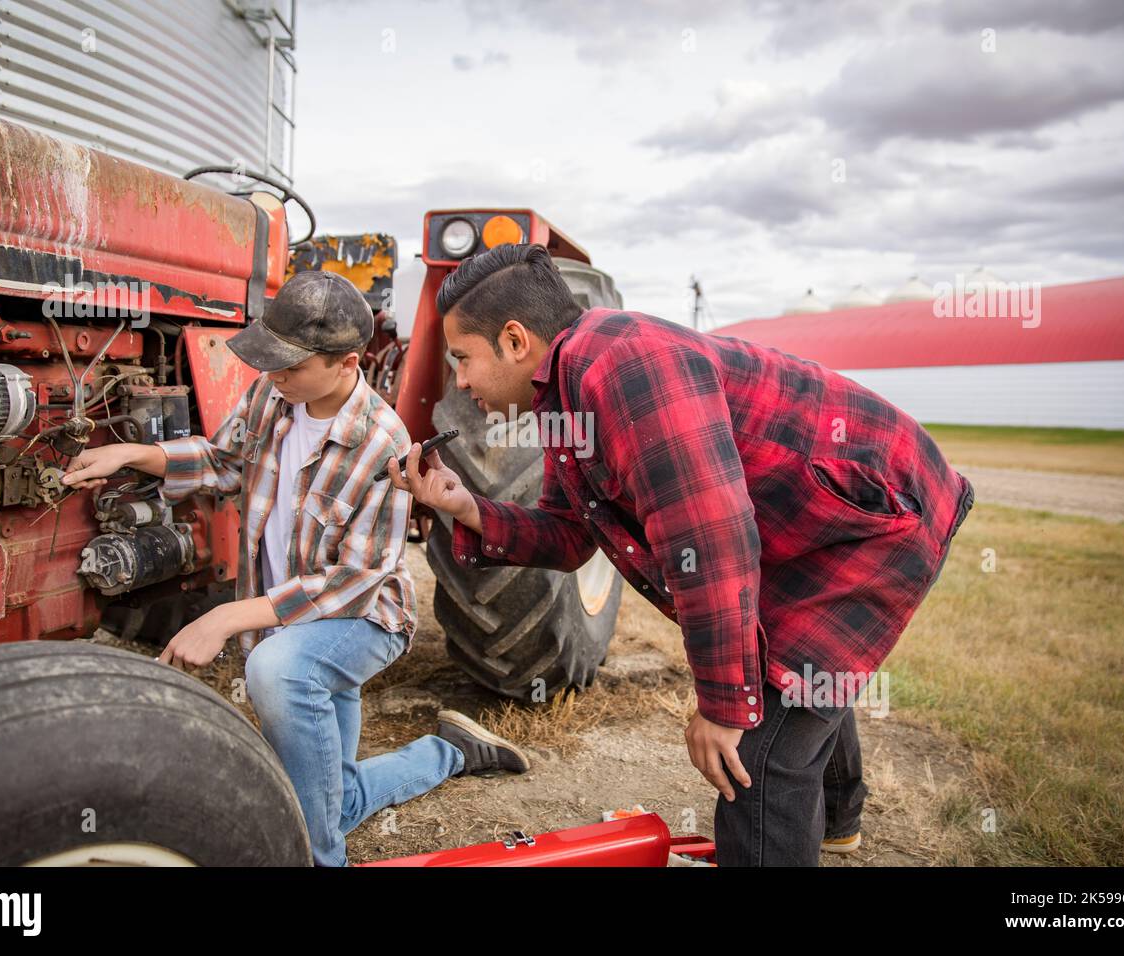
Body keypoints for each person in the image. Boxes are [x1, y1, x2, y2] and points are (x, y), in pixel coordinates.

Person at [385, 243, 975, 866]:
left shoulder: (625, 366)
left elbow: (710, 537)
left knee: (756, 752)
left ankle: (814, 821)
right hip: (823, 516)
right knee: (792, 663)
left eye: (462, 359)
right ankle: (836, 824)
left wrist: (724, 707)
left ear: (513, 340)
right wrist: (464, 506)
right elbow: (569, 535)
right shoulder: (563, 394)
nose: (461, 382)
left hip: (882, 510)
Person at [62, 270, 529, 867]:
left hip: (362, 618)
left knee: (278, 670)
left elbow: (354, 580)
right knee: (329, 799)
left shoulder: (383, 442)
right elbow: (223, 459)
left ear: (346, 362)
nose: (274, 375)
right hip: (290, 614)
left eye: (290, 365)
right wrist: (137, 454)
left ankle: (318, 861)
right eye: (271, 362)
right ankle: (452, 753)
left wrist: (228, 617)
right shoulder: (274, 395)